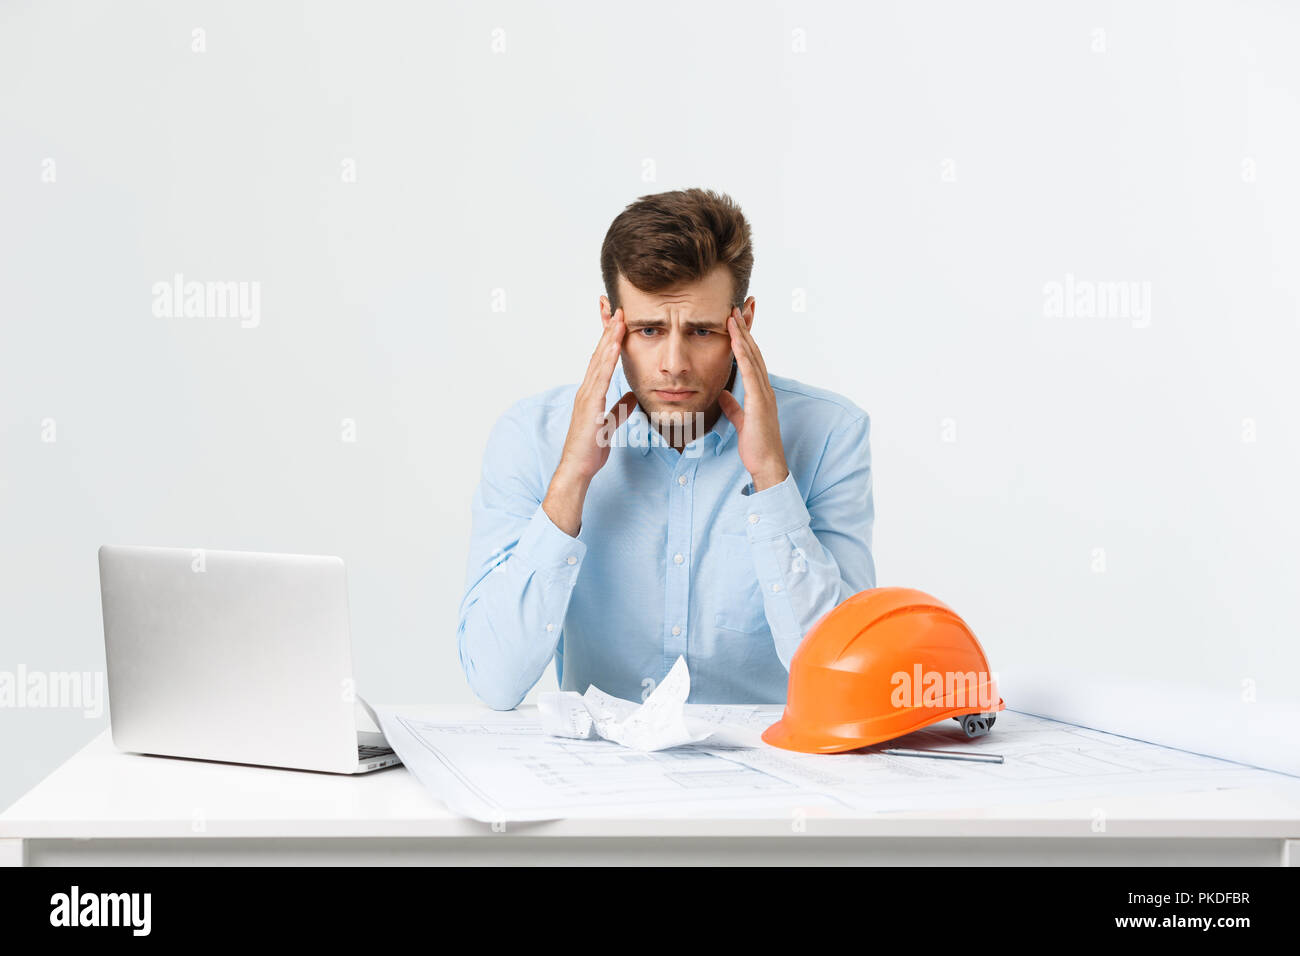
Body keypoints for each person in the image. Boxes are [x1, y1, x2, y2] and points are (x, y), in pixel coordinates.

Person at [457, 187, 875, 708]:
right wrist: (570, 480)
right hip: (597, 779)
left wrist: (771, 477)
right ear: (609, 320)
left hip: (772, 775)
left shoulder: (830, 433)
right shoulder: (530, 435)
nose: (674, 363)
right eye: (649, 330)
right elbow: (496, 682)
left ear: (742, 322)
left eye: (701, 331)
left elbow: (849, 678)